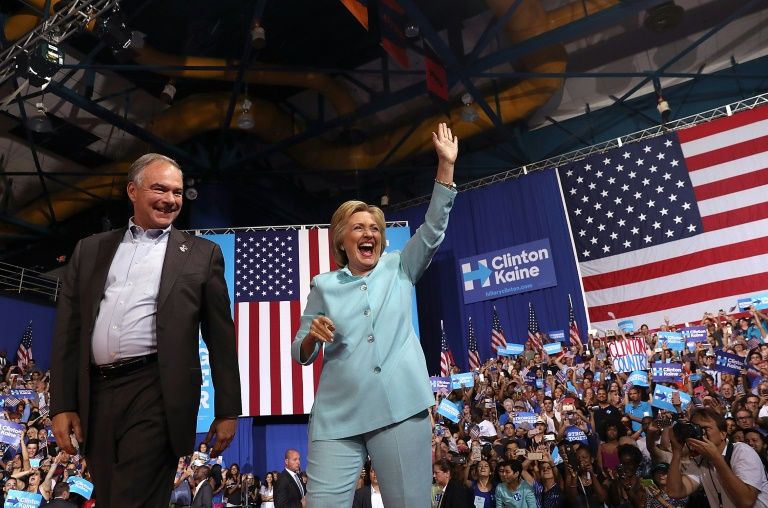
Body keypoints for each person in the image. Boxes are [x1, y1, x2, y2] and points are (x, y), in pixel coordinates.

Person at [49, 153, 242, 506]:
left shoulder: (202, 254)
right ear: (132, 190)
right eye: (160, 189)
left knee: (130, 496)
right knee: (110, 497)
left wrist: (228, 410)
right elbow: (68, 331)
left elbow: (221, 337)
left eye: (178, 192)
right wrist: (61, 404)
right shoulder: (90, 249)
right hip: (96, 393)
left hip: (157, 391)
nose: (170, 199)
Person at [290, 123, 459, 507]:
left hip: (399, 408)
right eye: (359, 228)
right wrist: (313, 336)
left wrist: (445, 168)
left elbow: (433, 229)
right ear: (342, 239)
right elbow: (300, 351)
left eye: (375, 229)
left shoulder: (400, 267)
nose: (369, 234)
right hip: (337, 415)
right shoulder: (324, 285)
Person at [667, 407, 768, 508]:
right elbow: (675, 492)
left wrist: (716, 458)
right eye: (695, 428)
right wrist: (677, 452)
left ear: (723, 434)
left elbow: (746, 501)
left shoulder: (741, 451)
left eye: (705, 428)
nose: (700, 433)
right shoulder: (700, 460)